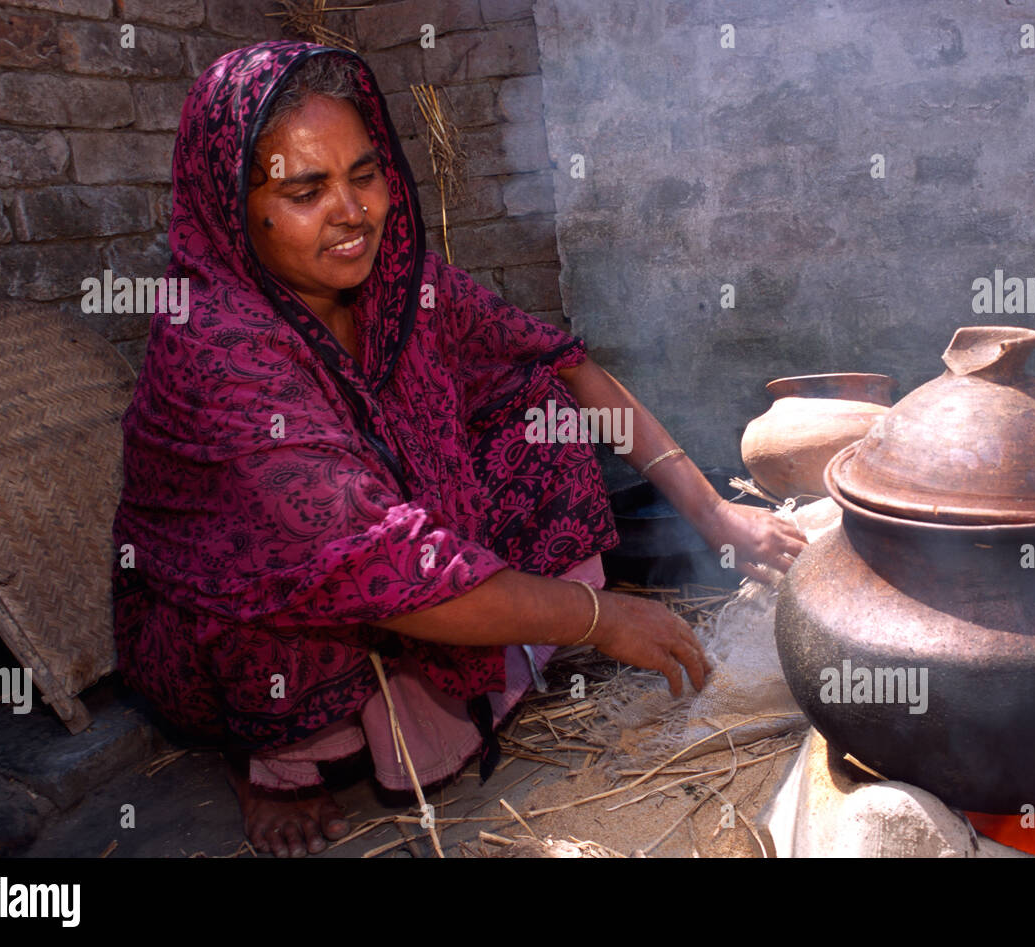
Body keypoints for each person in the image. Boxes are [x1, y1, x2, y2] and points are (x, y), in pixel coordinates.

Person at [111, 41, 806, 858]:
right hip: (230, 622)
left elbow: (564, 359)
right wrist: (598, 616)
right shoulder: (215, 346)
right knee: (297, 587)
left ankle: (456, 695)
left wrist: (717, 514)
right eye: (306, 190)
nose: (353, 211)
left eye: (364, 175)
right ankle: (272, 769)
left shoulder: (404, 285)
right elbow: (381, 568)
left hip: (387, 559)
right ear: (233, 204)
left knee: (536, 408)